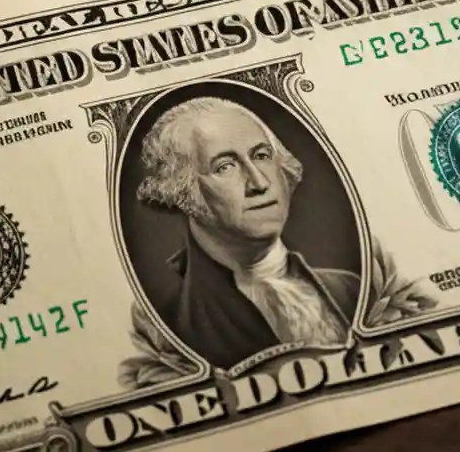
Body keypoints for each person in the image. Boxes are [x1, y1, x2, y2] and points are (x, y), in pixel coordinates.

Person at [136, 96, 359, 369]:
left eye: (262, 156)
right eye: (225, 167)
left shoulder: (349, 290)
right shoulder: (173, 333)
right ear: (181, 189)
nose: (259, 182)